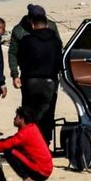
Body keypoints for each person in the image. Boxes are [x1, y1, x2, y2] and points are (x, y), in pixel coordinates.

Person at [14, 14, 62, 142]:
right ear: (46, 25)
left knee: (28, 112)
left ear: (33, 25)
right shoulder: (56, 41)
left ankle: (28, 140)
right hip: (49, 81)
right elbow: (60, 61)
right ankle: (45, 141)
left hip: (31, 81)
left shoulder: (27, 40)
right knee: (47, 113)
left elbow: (20, 59)